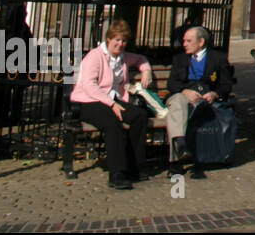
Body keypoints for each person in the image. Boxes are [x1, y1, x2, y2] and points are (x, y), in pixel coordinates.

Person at [70, 20, 153, 190]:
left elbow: (141, 59)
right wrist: (111, 104)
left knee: (139, 116)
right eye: (117, 40)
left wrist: (146, 70)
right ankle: (117, 173)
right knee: (112, 123)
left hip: (113, 100)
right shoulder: (95, 56)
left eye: (123, 41)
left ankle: (134, 166)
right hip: (88, 101)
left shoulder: (122, 57)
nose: (120, 44)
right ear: (108, 39)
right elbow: (89, 85)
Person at [165, 25, 234, 178]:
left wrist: (214, 94)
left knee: (183, 112)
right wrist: (184, 91)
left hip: (205, 98)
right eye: (183, 41)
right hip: (183, 96)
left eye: (188, 41)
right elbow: (171, 84)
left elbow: (226, 84)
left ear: (201, 42)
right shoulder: (179, 59)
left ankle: (190, 153)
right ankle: (176, 156)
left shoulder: (218, 58)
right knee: (177, 104)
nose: (184, 44)